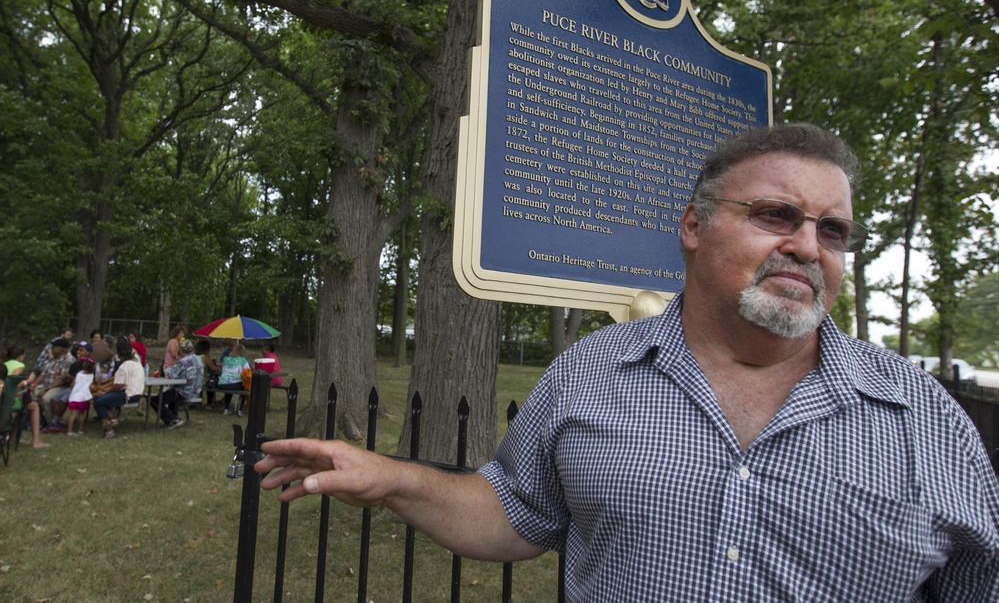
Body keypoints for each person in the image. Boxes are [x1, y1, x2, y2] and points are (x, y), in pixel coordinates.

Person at [255, 124, 998, 600]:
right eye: (775, 215)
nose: (807, 246)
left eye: (832, 231)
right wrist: (392, 480)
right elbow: (516, 512)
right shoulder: (589, 374)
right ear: (693, 227)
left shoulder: (922, 415)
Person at [92, 336, 145, 439]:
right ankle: (111, 419)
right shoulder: (137, 364)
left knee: (98, 402)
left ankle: (109, 427)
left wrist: (106, 392)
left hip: (127, 395)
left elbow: (118, 385)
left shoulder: (124, 366)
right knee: (98, 398)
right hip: (138, 394)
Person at [149, 338, 203, 429]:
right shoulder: (199, 359)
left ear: (181, 350)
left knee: (154, 400)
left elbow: (170, 375)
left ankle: (173, 419)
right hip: (196, 392)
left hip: (183, 392)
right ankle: (174, 417)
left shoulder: (183, 362)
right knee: (170, 394)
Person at [63, 356, 95, 436]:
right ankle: (80, 430)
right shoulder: (91, 376)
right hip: (83, 398)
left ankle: (69, 431)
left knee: (72, 415)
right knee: (81, 415)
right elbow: (91, 387)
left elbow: (72, 384)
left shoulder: (78, 374)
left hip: (74, 397)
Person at [217, 340, 250, 416]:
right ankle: (240, 410)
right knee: (244, 387)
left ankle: (226, 409)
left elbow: (222, 371)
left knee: (230, 387)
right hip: (234, 384)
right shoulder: (243, 361)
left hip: (222, 384)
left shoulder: (225, 359)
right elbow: (247, 374)